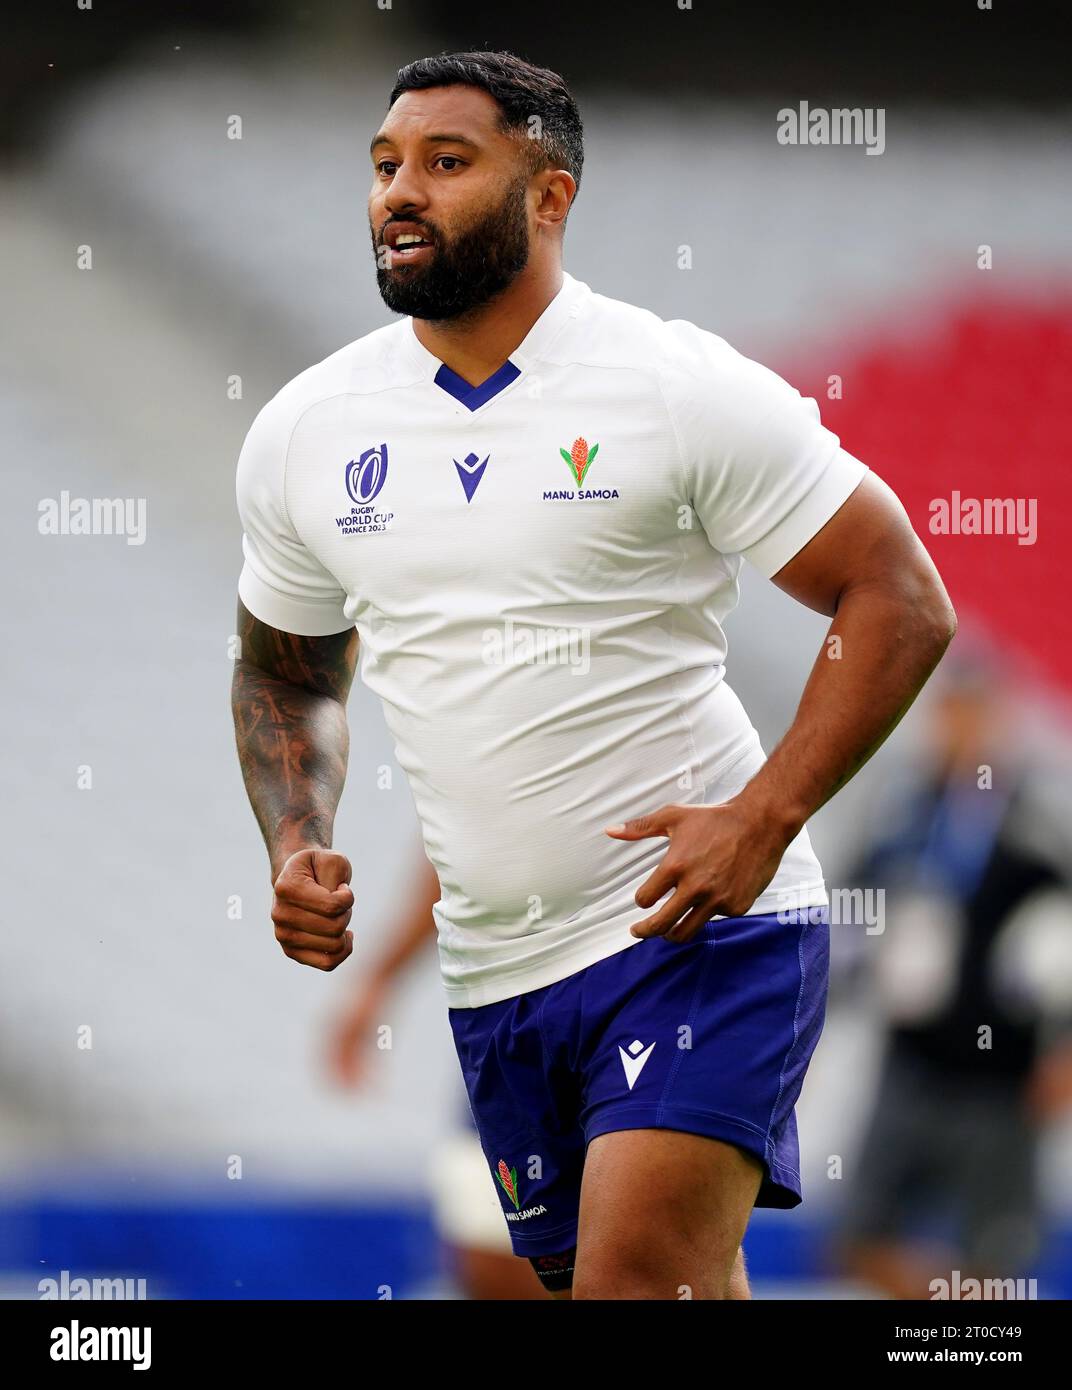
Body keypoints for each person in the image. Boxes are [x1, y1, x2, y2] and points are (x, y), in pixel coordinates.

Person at [230, 50, 955, 1300]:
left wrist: (763, 814)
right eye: (385, 165)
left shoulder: (673, 385)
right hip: (498, 972)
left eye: (447, 164)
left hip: (697, 929)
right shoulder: (307, 428)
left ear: (549, 196)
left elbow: (898, 595)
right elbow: (284, 674)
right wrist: (297, 838)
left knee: (636, 1281)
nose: (401, 191)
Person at [832, 645, 1072, 1298]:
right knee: (856, 1235)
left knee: (994, 1257)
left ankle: (961, 1340)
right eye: (948, 713)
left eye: (973, 713)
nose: (958, 729)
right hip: (912, 1062)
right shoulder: (903, 817)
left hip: (1002, 1078)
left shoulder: (1039, 829)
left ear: (1001, 721)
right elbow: (850, 905)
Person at [326, 853, 545, 1299]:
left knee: (641, 1259)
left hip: (635, 1000)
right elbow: (456, 841)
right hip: (511, 1026)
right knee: (495, 1256)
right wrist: (379, 983)